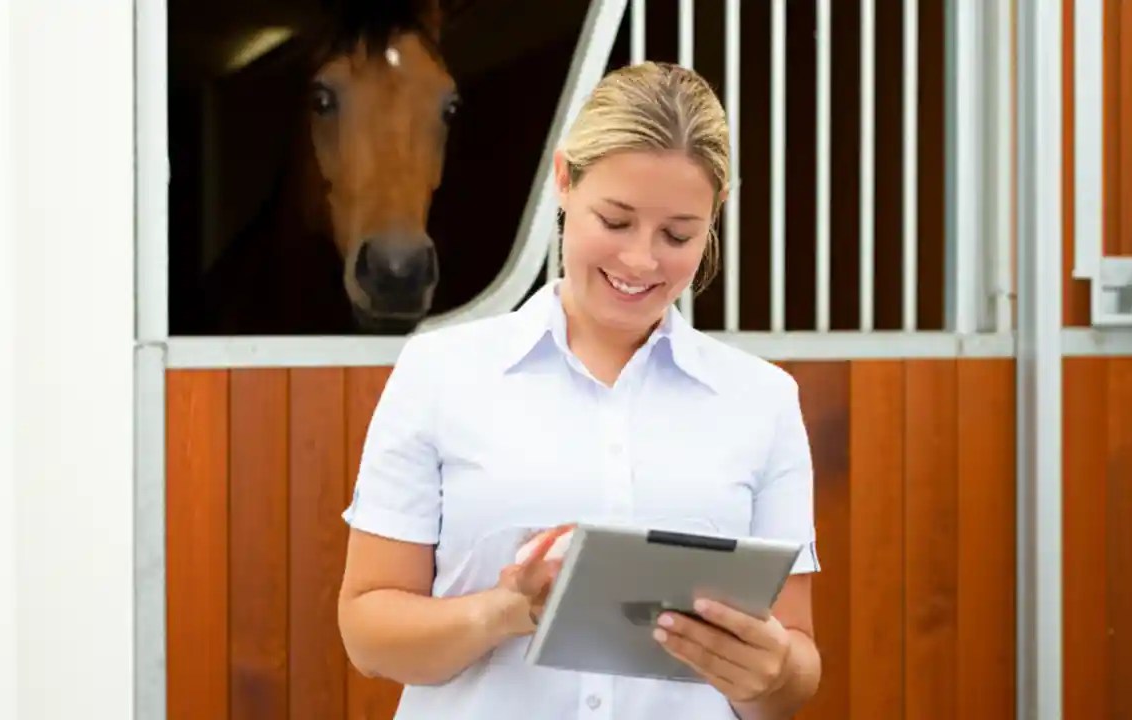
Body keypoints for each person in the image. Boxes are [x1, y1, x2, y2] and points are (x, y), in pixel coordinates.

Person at [337, 60, 821, 719]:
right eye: (616, 222)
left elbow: (793, 671)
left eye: (678, 234)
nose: (641, 260)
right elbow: (368, 634)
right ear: (565, 181)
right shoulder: (440, 375)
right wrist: (503, 613)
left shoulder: (762, 402)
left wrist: (767, 671)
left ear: (716, 216)